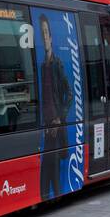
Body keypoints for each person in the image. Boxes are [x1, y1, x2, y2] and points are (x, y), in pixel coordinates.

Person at [38, 15, 73, 201]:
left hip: (56, 126)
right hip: (46, 126)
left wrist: (60, 119)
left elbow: (69, 94)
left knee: (48, 166)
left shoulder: (57, 64)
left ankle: (53, 197)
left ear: (51, 38)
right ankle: (55, 196)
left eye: (46, 33)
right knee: (49, 166)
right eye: (41, 33)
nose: (44, 38)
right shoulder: (43, 66)